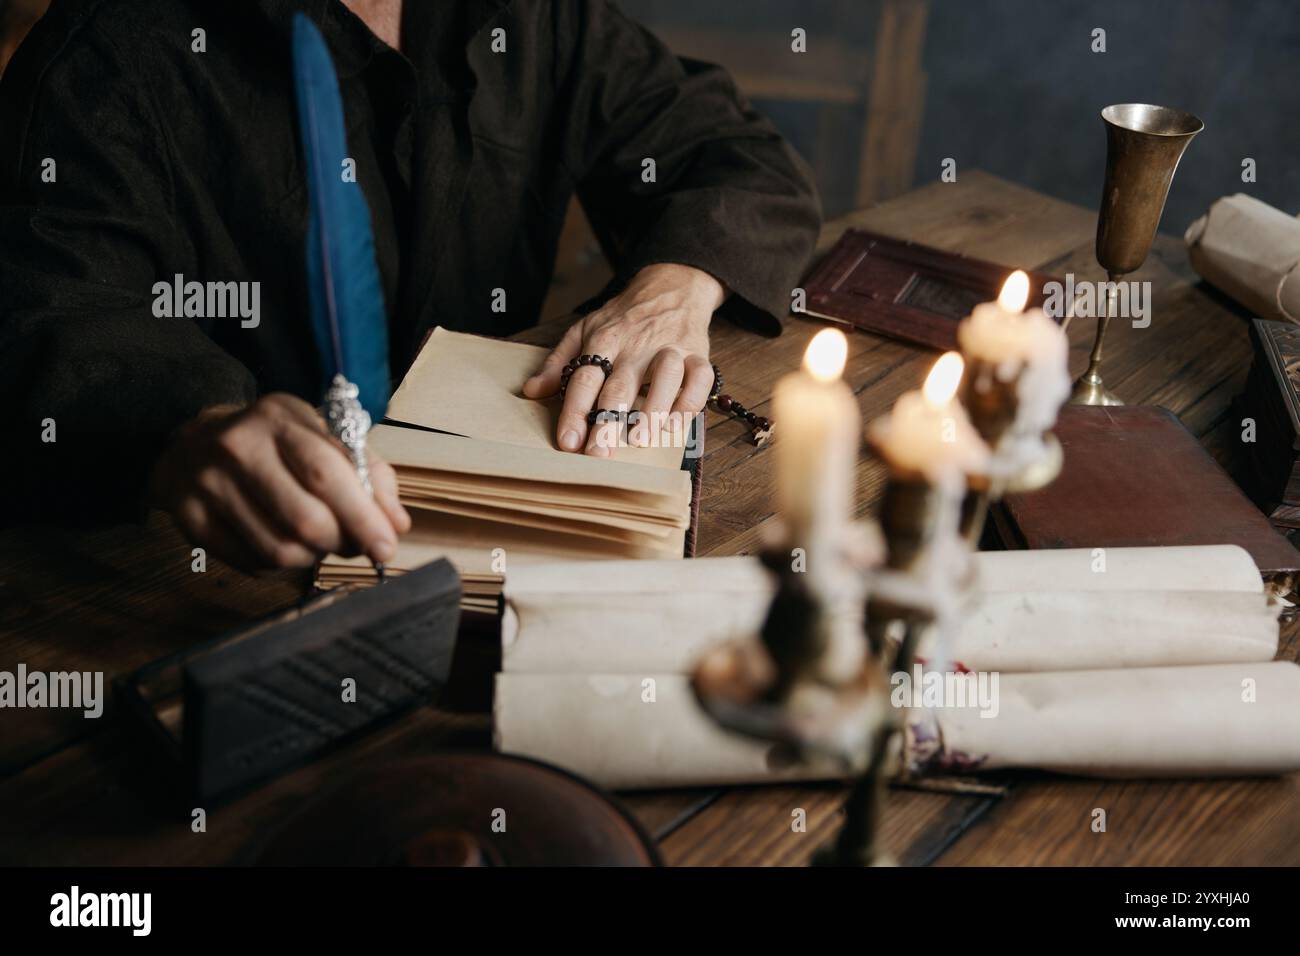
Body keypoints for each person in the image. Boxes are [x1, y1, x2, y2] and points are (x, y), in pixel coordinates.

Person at [0, 0, 820, 572]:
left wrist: (673, 286)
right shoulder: (110, 55)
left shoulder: (535, 15)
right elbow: (49, 318)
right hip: (206, 581)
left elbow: (732, 153)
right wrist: (185, 430)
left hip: (515, 524)